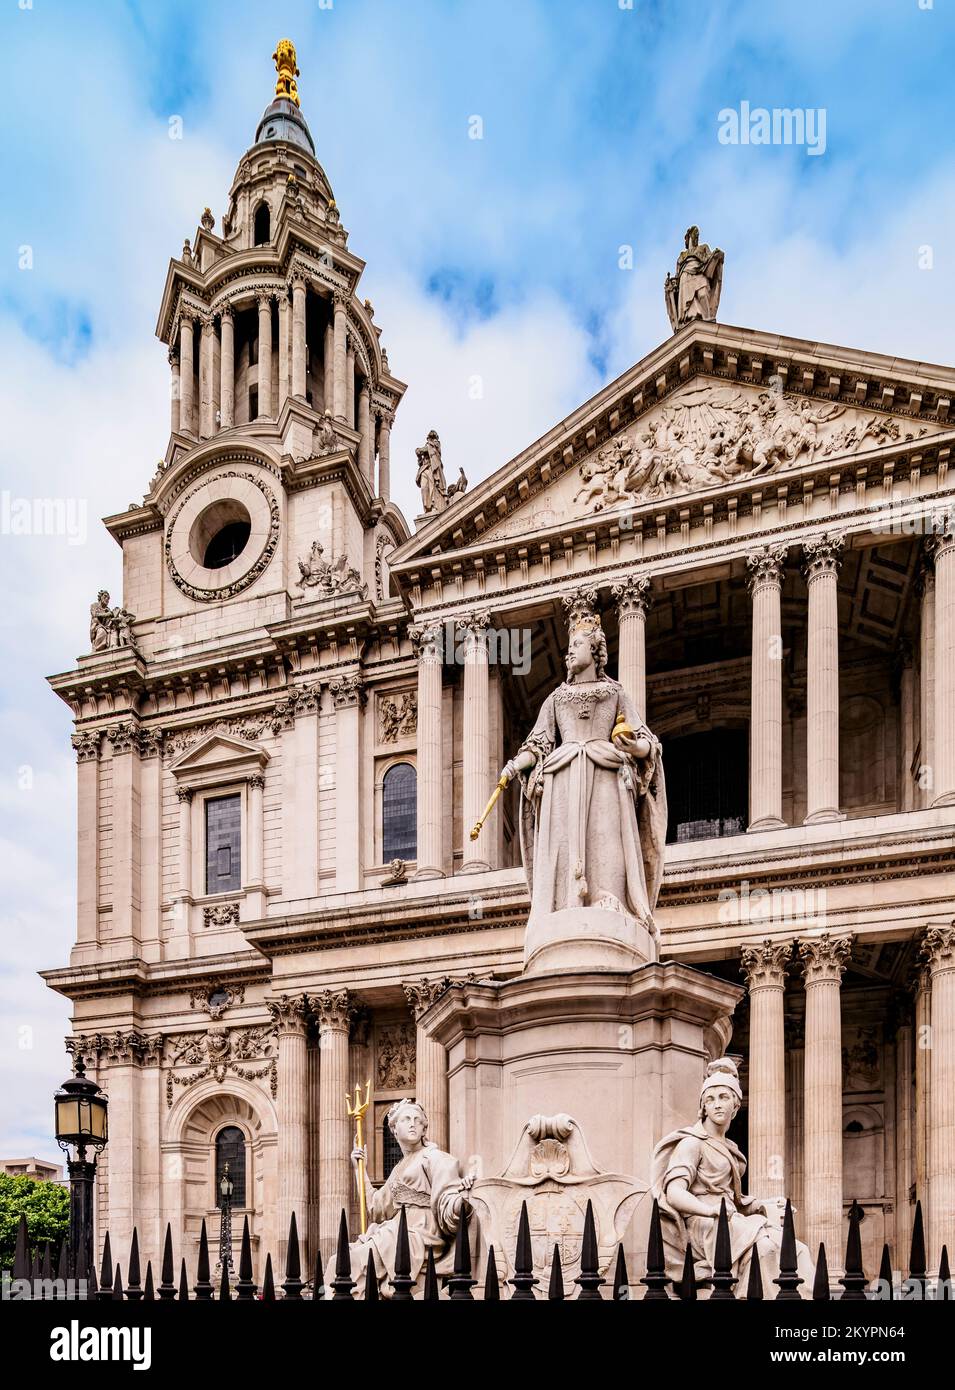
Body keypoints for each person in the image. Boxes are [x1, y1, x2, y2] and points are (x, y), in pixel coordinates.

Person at [501, 615, 667, 943]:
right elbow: (539, 743)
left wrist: (635, 746)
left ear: (595, 648)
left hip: (606, 772)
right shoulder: (556, 698)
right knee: (563, 842)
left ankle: (611, 897)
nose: (568, 653)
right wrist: (515, 764)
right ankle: (565, 900)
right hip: (563, 776)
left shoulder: (614, 693)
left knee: (606, 836)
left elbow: (648, 741)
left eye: (576, 645)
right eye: (568, 647)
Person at [650, 1057, 815, 1294]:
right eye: (710, 1099)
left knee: (797, 1249)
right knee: (765, 1248)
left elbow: (734, 1200)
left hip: (730, 1219)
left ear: (735, 1105)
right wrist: (711, 1210)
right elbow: (674, 1193)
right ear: (703, 1107)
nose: (717, 1104)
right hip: (704, 1221)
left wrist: (763, 1205)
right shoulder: (691, 1143)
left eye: (723, 1097)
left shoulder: (732, 1150)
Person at [349, 1099, 473, 1297]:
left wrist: (460, 1200)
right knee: (343, 1260)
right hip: (396, 1230)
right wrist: (359, 1171)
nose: (413, 1123)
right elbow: (377, 1208)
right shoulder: (398, 1169)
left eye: (418, 1120)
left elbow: (448, 1195)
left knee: (357, 1260)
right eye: (406, 1119)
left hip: (420, 1233)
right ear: (395, 1130)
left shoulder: (434, 1157)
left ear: (424, 1130)